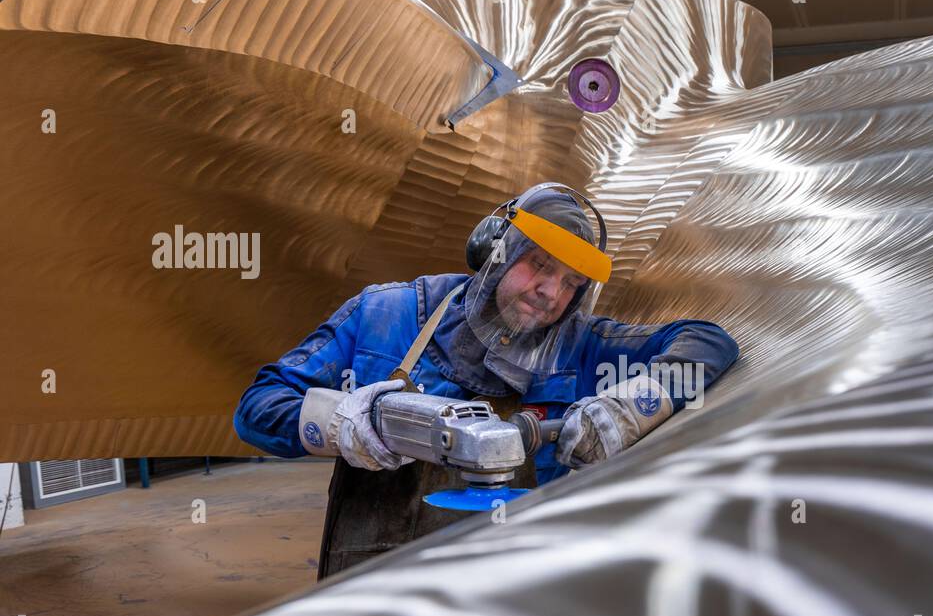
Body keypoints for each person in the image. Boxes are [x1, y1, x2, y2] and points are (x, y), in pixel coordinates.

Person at [233, 183, 739, 580]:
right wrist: (345, 422)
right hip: (373, 588)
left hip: (512, 593)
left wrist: (633, 406)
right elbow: (257, 408)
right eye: (538, 264)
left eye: (570, 283)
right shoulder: (387, 316)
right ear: (494, 251)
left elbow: (708, 343)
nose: (549, 292)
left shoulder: (584, 347)